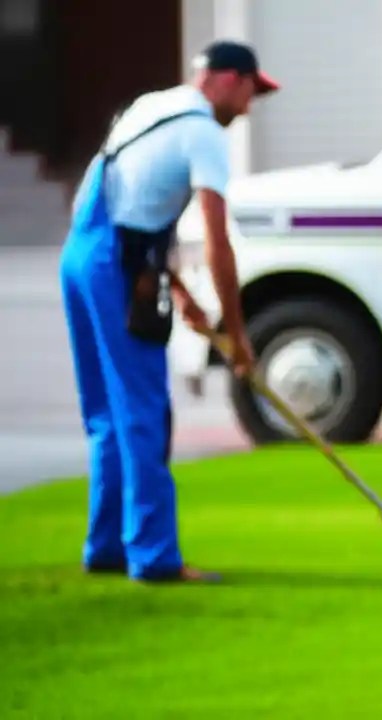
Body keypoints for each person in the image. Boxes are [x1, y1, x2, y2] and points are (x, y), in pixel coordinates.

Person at [59, 40, 277, 582]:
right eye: (252, 91)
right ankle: (155, 556)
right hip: (115, 264)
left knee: (107, 414)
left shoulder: (151, 106)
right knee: (143, 410)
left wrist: (179, 292)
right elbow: (216, 239)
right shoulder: (203, 131)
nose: (250, 107)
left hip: (83, 255)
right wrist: (237, 332)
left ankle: (105, 547)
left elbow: (137, 207)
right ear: (229, 78)